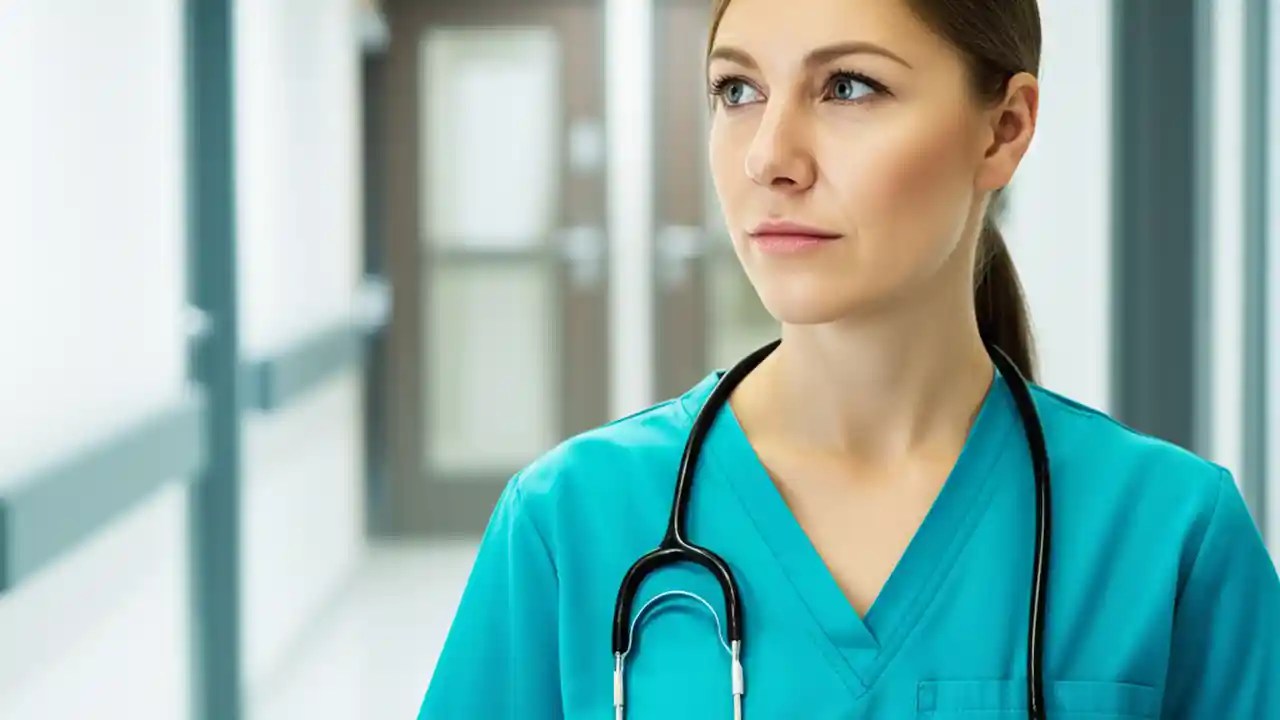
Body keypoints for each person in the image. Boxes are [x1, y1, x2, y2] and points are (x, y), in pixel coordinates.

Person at [418, 0, 1280, 716]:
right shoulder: (572, 520)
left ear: (1004, 130)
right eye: (737, 88)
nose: (769, 158)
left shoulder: (1171, 538)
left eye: (849, 86)